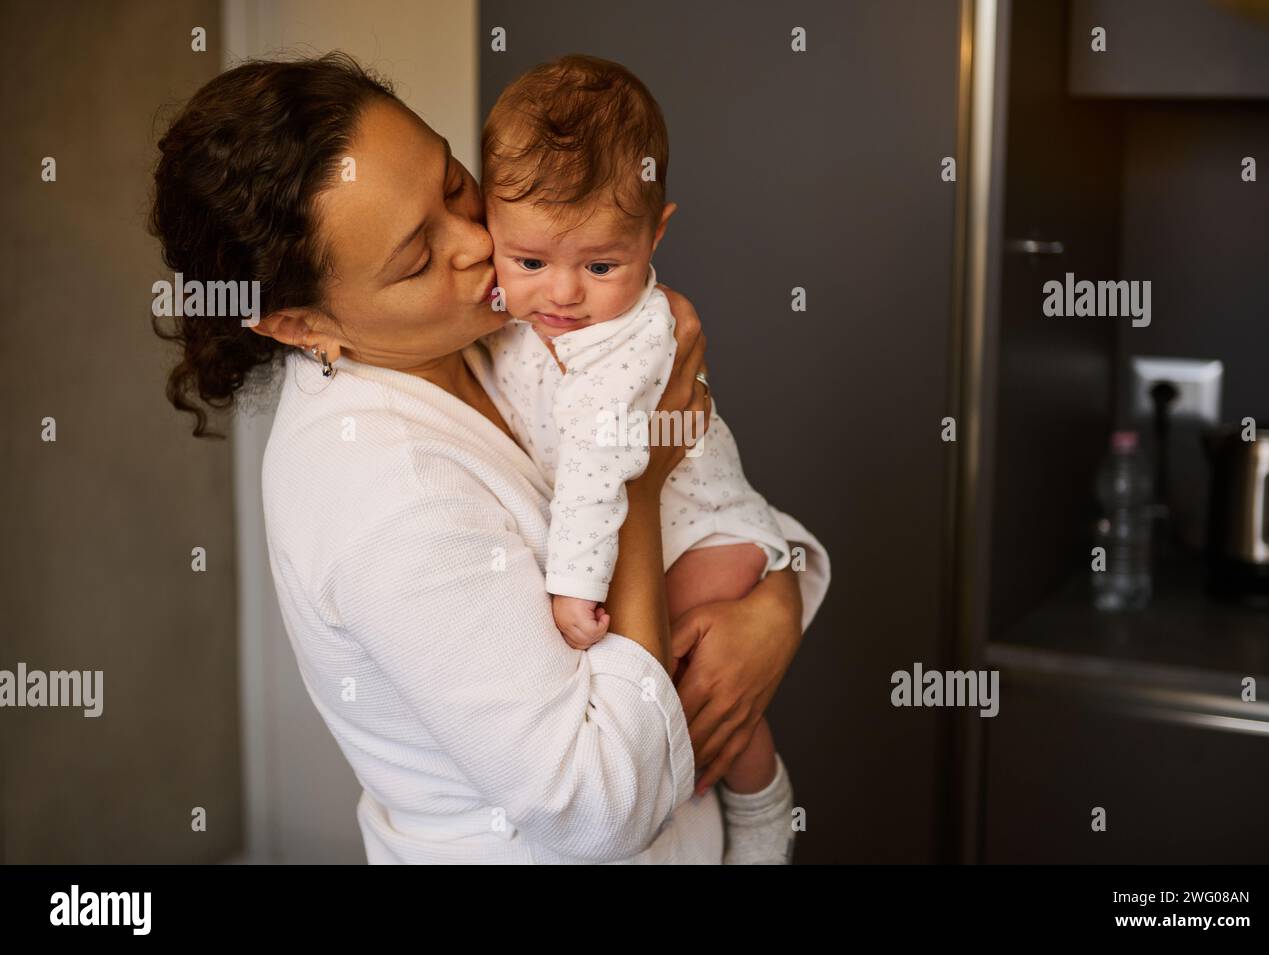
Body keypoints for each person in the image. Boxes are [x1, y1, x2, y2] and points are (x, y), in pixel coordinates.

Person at [150, 52, 830, 864]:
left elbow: (712, 498)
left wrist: (776, 603)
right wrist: (638, 479)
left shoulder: (506, 330)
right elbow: (595, 810)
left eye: (450, 183)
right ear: (302, 326)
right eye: (416, 259)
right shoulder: (379, 496)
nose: (480, 242)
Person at [481, 54, 803, 863]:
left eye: (600, 265)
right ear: (492, 229)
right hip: (659, 519)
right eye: (529, 263)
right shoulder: (511, 304)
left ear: (654, 235)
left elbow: (597, 463)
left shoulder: (635, 337)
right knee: (677, 678)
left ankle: (763, 805)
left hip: (707, 531)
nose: (560, 295)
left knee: (688, 681)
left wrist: (572, 588)